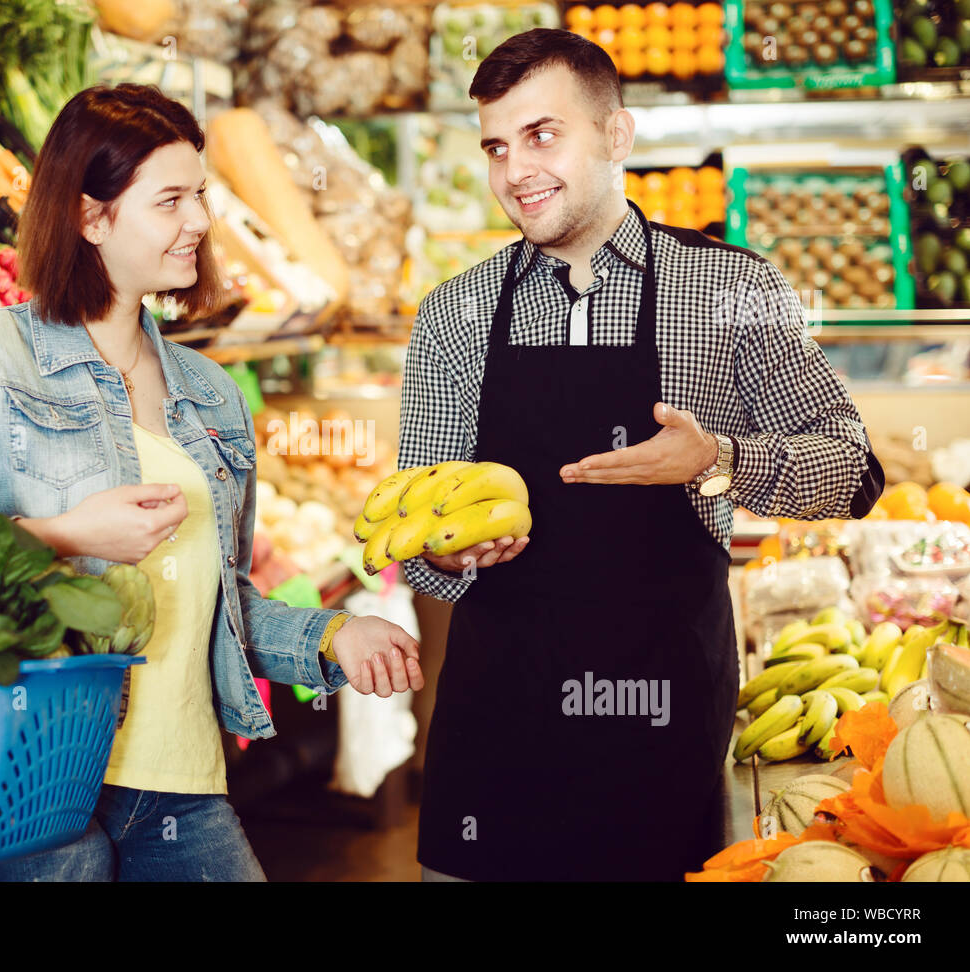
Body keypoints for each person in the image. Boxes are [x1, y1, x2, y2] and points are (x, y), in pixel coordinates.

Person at [0, 83, 423, 882]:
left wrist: (329, 637)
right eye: (170, 199)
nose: (201, 222)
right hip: (29, 784)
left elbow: (224, 603)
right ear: (91, 216)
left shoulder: (210, 392)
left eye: (200, 195)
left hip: (184, 784)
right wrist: (62, 538)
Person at [400, 30, 884, 882]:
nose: (515, 171)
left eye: (542, 136)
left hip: (662, 722)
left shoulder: (731, 288)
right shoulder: (455, 314)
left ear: (618, 136)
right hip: (501, 725)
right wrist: (445, 549)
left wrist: (721, 458)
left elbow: (854, 470)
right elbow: (423, 547)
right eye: (497, 147)